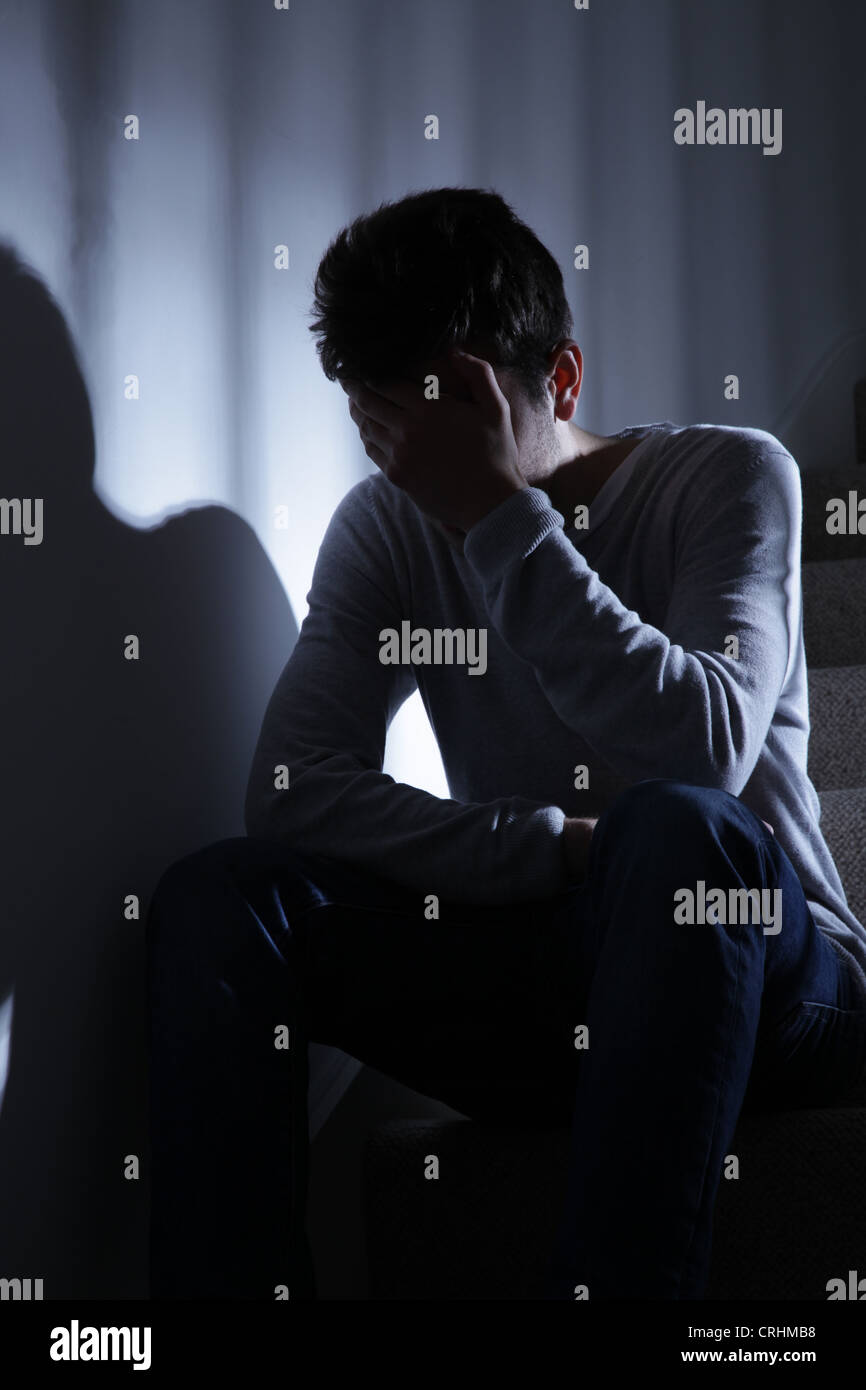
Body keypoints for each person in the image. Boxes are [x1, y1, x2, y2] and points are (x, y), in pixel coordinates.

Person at [147, 187, 866, 1300]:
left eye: (447, 432)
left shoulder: (727, 475)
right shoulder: (387, 520)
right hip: (556, 976)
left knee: (675, 834)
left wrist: (494, 512)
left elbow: (704, 750)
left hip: (765, 974)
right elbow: (292, 789)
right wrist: (549, 847)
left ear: (560, 379)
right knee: (223, 894)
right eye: (383, 429)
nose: (408, 474)